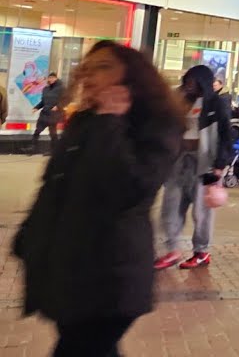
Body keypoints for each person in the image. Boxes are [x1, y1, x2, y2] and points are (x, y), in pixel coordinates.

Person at [13, 41, 183, 357]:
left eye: (103, 67)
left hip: (111, 276)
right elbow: (55, 186)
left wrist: (110, 121)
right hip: (74, 271)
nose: (90, 76)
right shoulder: (85, 121)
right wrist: (30, 237)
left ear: (132, 77)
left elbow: (130, 188)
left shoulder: (156, 125)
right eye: (87, 69)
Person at [155, 65, 233, 271]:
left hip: (205, 164)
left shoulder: (215, 103)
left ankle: (201, 252)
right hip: (179, 161)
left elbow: (226, 135)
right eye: (187, 81)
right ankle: (172, 250)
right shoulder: (178, 100)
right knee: (170, 207)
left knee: (202, 211)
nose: (189, 86)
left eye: (193, 82)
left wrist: (219, 165)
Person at [31, 72, 66, 155]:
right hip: (44, 113)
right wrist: (36, 107)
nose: (50, 79)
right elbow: (43, 101)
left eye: (52, 78)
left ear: (56, 78)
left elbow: (66, 100)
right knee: (37, 130)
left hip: (54, 114)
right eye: (49, 78)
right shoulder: (45, 89)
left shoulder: (61, 88)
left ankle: (54, 150)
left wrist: (58, 106)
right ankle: (32, 147)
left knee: (52, 132)